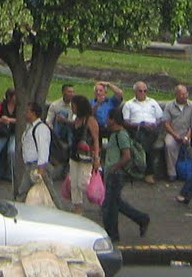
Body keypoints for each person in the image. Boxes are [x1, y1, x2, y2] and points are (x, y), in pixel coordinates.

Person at [100, 106, 152, 240]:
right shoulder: (114, 134)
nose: (106, 121)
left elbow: (126, 155)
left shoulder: (121, 135)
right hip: (112, 173)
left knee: (109, 207)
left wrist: (114, 168)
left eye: (108, 118)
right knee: (115, 203)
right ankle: (141, 219)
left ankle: (112, 234)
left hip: (116, 174)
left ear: (113, 120)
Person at [121, 83, 164, 182]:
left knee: (147, 138)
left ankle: (143, 172)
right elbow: (126, 122)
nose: (143, 93)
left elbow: (161, 118)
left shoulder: (152, 102)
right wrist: (141, 125)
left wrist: (155, 124)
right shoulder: (129, 104)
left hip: (153, 130)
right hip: (137, 129)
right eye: (140, 91)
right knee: (145, 138)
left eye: (145, 91)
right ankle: (149, 173)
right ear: (135, 91)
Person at [67, 95, 100, 216]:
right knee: (74, 183)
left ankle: (97, 195)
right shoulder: (76, 119)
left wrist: (96, 158)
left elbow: (96, 139)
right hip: (74, 154)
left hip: (86, 156)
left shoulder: (90, 120)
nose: (72, 108)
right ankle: (77, 207)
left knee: (83, 182)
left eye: (73, 106)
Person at [159, 85, 192, 182]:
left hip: (188, 132)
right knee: (169, 144)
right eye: (182, 94)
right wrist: (175, 135)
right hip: (173, 132)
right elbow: (166, 124)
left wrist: (187, 137)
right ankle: (171, 173)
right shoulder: (169, 106)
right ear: (176, 95)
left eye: (186, 94)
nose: (184, 96)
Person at [16, 101, 52, 200]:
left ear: (34, 113)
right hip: (30, 165)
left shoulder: (40, 129)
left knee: (24, 191)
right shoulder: (30, 127)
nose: (25, 114)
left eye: (27, 111)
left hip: (36, 166)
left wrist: (41, 168)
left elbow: (43, 149)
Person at [0, 89, 21, 182]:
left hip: (14, 133)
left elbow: (23, 120)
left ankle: (10, 174)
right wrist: (1, 120)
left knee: (12, 151)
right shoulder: (1, 106)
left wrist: (10, 120)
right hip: (1, 133)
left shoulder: (20, 107)